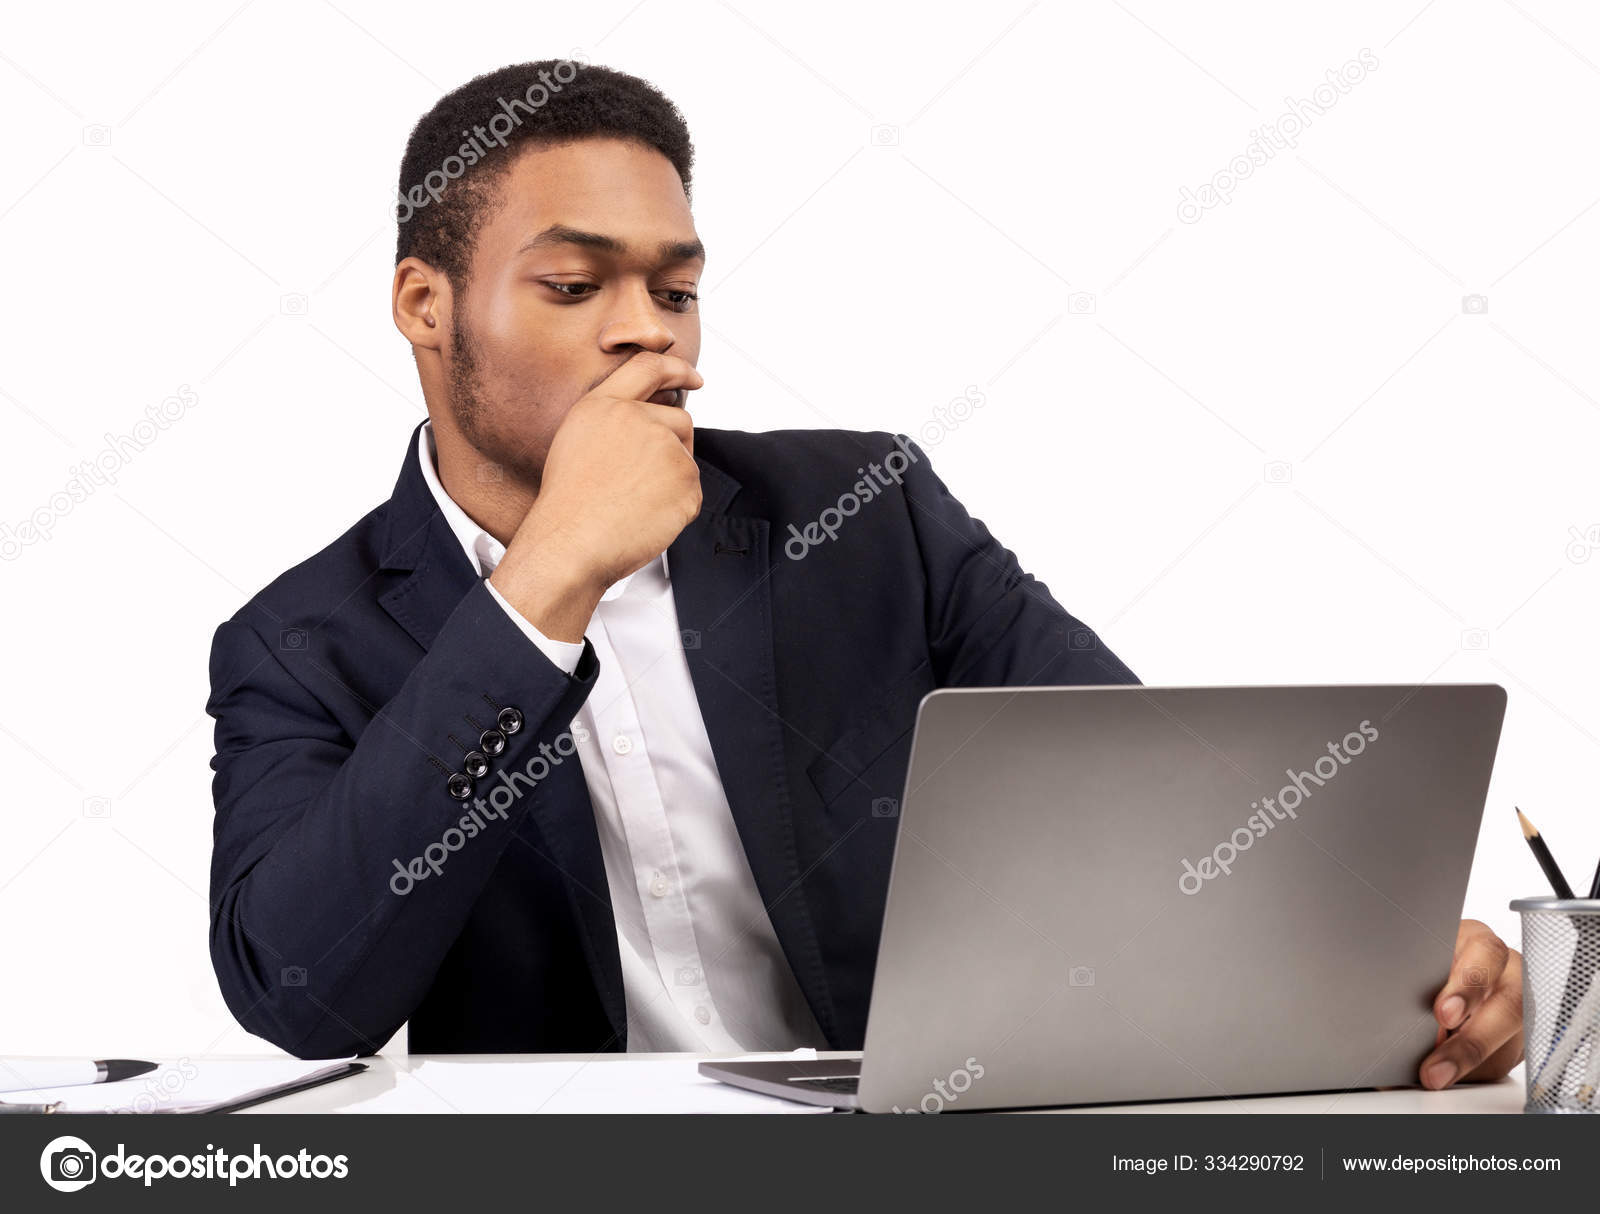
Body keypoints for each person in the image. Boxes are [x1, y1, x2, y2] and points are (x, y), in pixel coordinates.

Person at [205, 61, 1521, 1090]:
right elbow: (302, 992)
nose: (645, 332)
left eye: (677, 289)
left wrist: (1397, 968)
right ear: (425, 309)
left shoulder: (858, 510)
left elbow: (1152, 805)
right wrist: (541, 585)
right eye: (572, 284)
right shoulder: (300, 642)